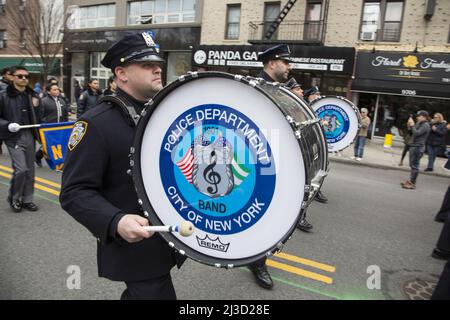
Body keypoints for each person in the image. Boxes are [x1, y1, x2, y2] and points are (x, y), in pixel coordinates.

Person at [60, 32, 184, 300]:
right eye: (146, 64)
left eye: (158, 64)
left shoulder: (159, 116)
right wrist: (115, 220)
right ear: (121, 73)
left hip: (165, 238)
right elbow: (74, 192)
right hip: (135, 245)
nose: (157, 68)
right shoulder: (96, 123)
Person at [245, 44, 294, 290]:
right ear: (272, 63)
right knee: (259, 212)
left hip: (275, 157)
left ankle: (256, 254)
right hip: (257, 161)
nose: (290, 67)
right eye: (286, 62)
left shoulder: (280, 89)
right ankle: (257, 260)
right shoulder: (256, 88)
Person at [0, 66, 40, 212]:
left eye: (26, 76)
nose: (24, 79)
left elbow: (39, 115)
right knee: (21, 169)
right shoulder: (3, 95)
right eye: (20, 76)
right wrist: (7, 125)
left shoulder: (32, 94)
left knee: (30, 170)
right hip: (13, 137)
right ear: (12, 77)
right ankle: (14, 198)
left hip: (30, 135)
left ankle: (28, 199)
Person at [303, 86, 328, 205]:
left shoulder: (315, 108)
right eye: (315, 94)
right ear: (309, 96)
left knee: (321, 167)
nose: (318, 96)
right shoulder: (303, 107)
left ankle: (316, 190)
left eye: (319, 94)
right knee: (309, 170)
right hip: (307, 144)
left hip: (316, 143)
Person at [35, 83, 70, 167]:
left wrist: (66, 125)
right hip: (49, 128)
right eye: (54, 89)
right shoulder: (43, 101)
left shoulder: (62, 101)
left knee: (59, 144)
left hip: (60, 127)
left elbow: (65, 115)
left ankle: (58, 162)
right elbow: (40, 115)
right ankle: (38, 156)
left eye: (57, 89)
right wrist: (43, 125)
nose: (57, 91)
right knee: (49, 145)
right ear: (48, 91)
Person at [400, 110, 431, 190]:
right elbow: (411, 133)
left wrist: (413, 125)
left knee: (415, 166)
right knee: (412, 165)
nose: (417, 117)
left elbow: (417, 133)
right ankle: (410, 181)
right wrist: (409, 126)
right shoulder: (419, 123)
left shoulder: (426, 125)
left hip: (418, 147)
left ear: (424, 117)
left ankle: (412, 183)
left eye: (419, 116)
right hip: (413, 145)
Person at [0, 67, 14, 155]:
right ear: (4, 75)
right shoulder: (1, 85)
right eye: (9, 74)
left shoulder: (13, 84)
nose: (11, 76)